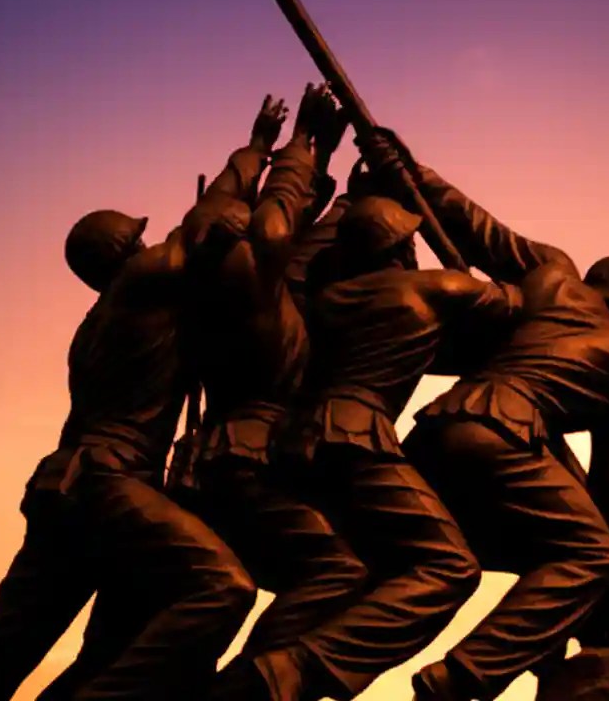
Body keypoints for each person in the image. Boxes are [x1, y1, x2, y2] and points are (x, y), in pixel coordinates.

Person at [355, 130, 609, 701]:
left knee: (507, 555)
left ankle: (544, 658)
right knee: (590, 555)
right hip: (498, 437)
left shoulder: (552, 275)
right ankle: (460, 677)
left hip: (434, 433)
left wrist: (409, 172)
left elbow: (474, 228)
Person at [0, 207, 255, 701]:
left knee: (10, 657)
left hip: (73, 486)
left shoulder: (102, 320)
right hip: (108, 484)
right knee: (222, 586)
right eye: (137, 242)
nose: (148, 247)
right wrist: (264, 145)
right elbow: (206, 223)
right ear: (126, 252)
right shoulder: (140, 286)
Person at [221, 190, 531, 701]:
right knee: (450, 566)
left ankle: (258, 675)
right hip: (358, 438)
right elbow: (513, 303)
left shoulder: (324, 302)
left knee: (358, 568)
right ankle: (296, 668)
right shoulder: (434, 289)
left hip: (297, 445)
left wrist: (346, 202)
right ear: (402, 245)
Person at [172, 86, 375, 701]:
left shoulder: (206, 278)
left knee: (203, 598)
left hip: (212, 456)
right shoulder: (255, 283)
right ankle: (248, 687)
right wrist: (301, 142)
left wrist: (262, 148)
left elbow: (257, 214)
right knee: (340, 569)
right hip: (248, 459)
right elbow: (279, 217)